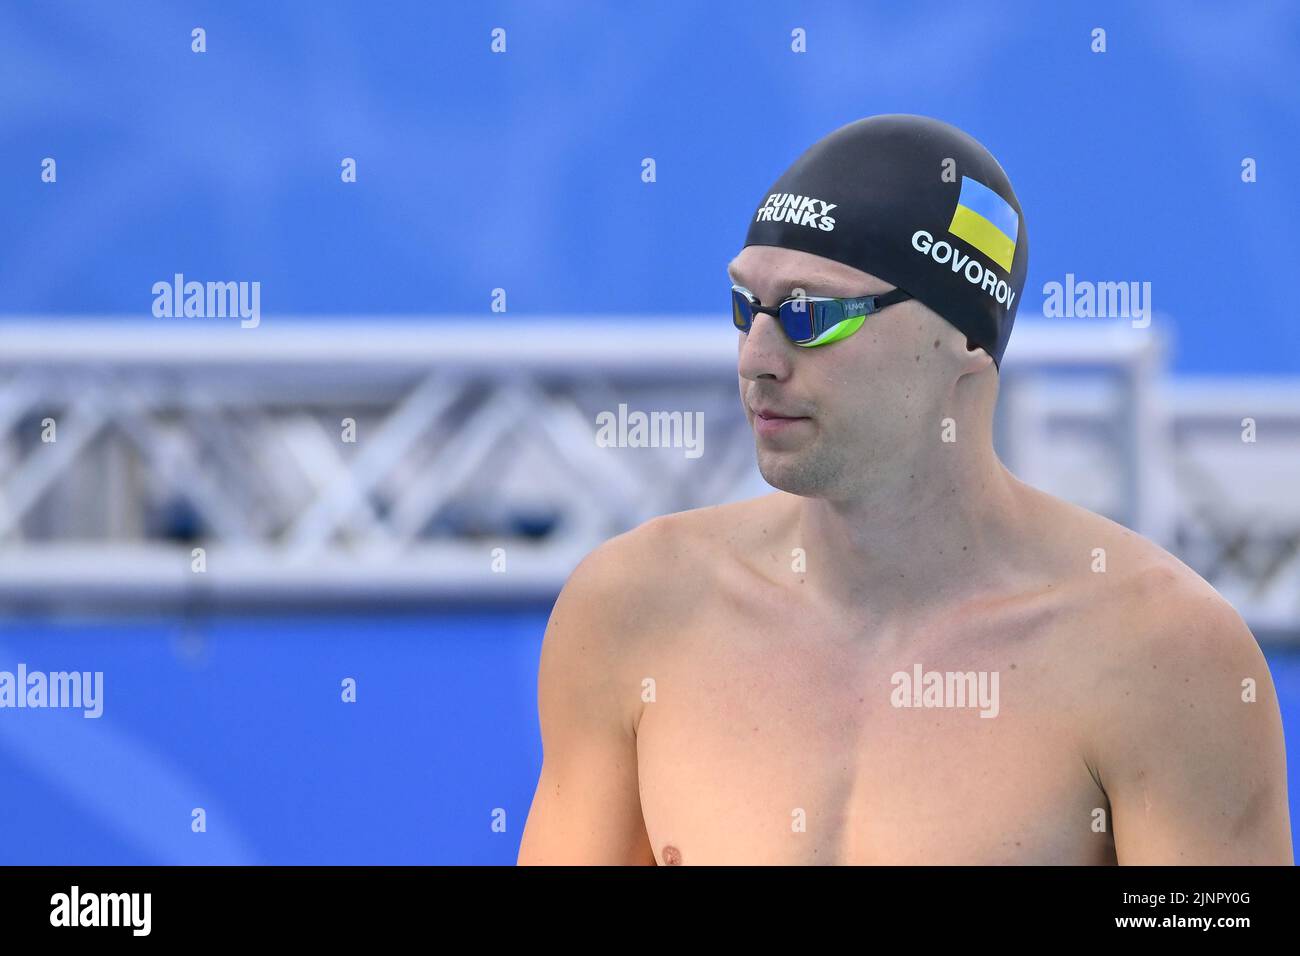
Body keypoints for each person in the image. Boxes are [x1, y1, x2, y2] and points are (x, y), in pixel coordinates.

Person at [517, 115, 1292, 865]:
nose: (757, 357)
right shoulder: (632, 612)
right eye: (745, 307)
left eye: (811, 314)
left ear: (965, 340)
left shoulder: (1164, 661)